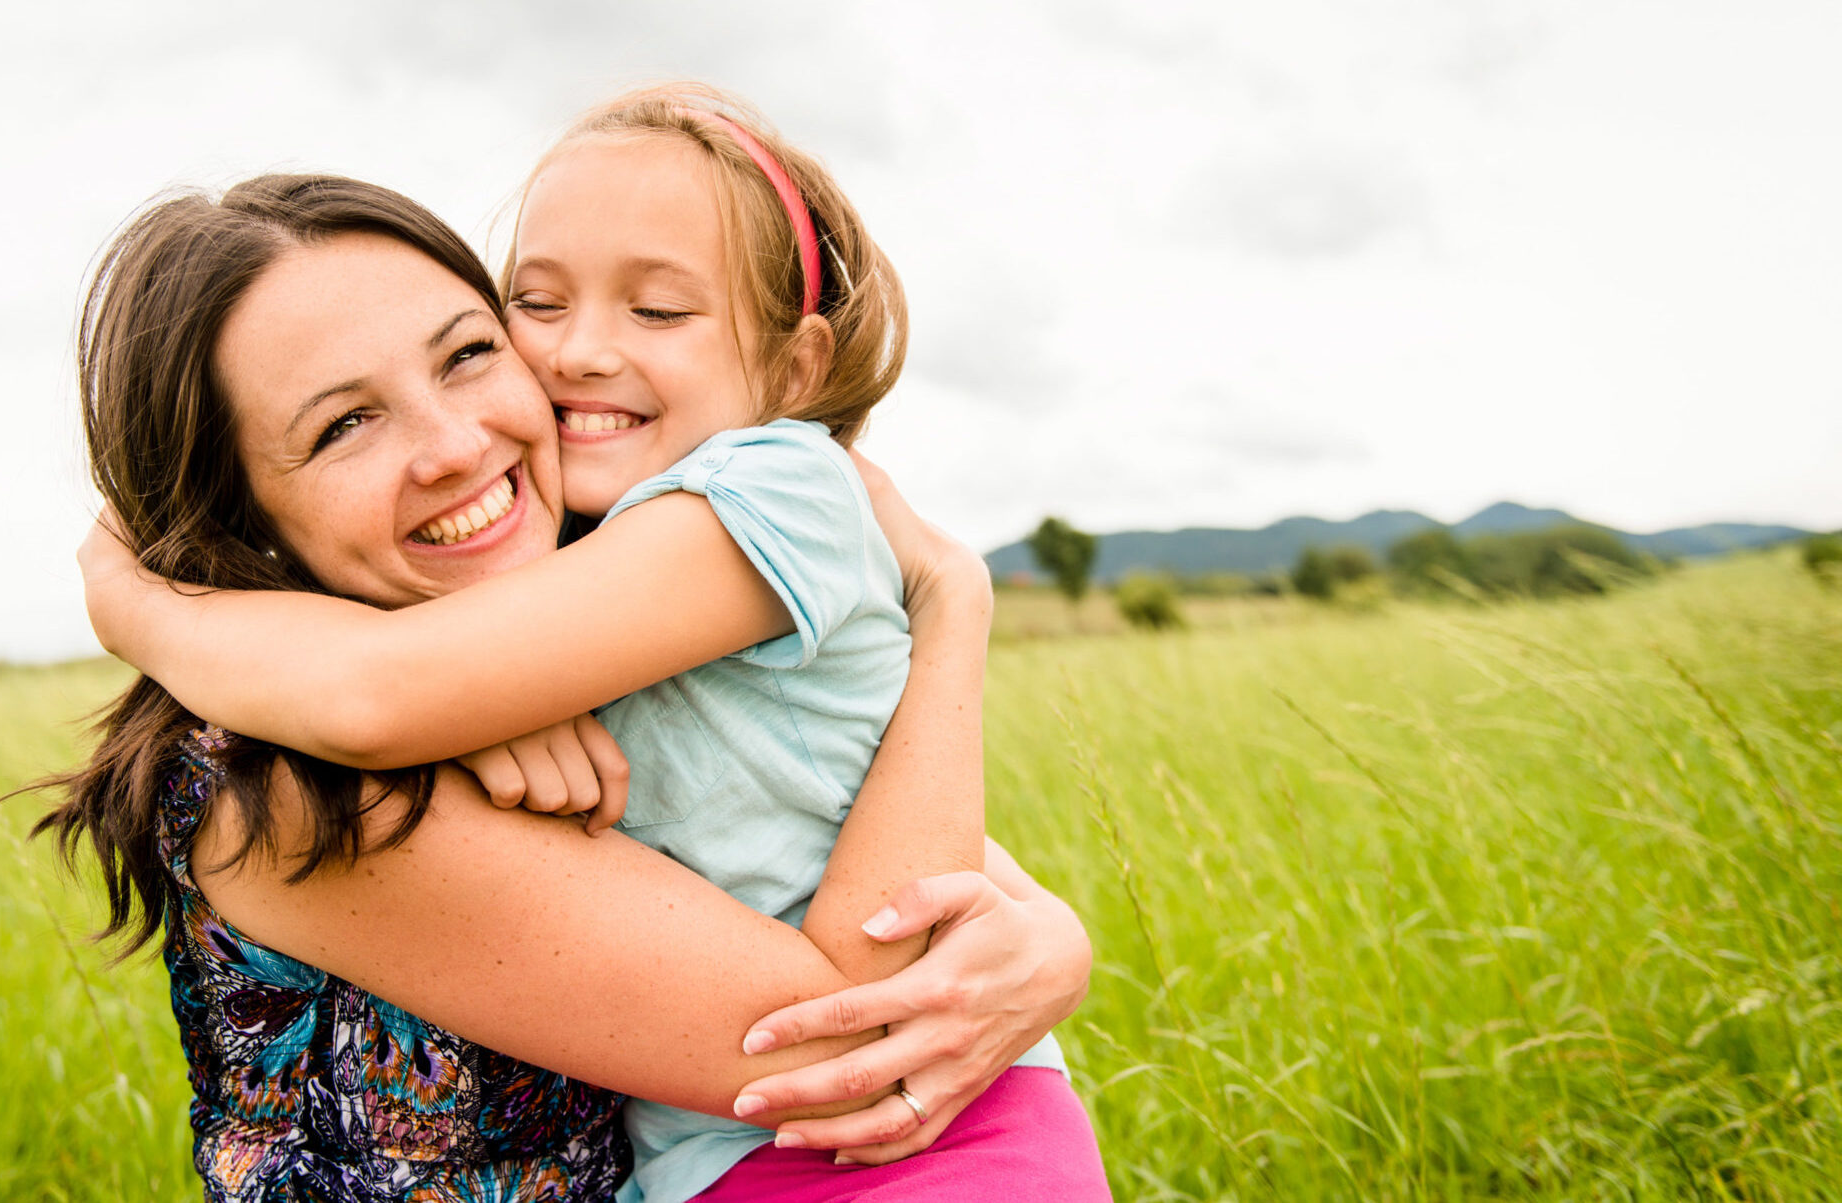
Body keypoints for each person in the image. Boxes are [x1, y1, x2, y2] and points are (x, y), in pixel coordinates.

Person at [80, 86, 1107, 1202]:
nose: (459, 443)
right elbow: (843, 1044)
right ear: (234, 516)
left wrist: (1050, 940)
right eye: (344, 425)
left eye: (468, 353)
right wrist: (130, 597)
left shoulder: (647, 565)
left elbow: (868, 840)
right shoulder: (286, 783)